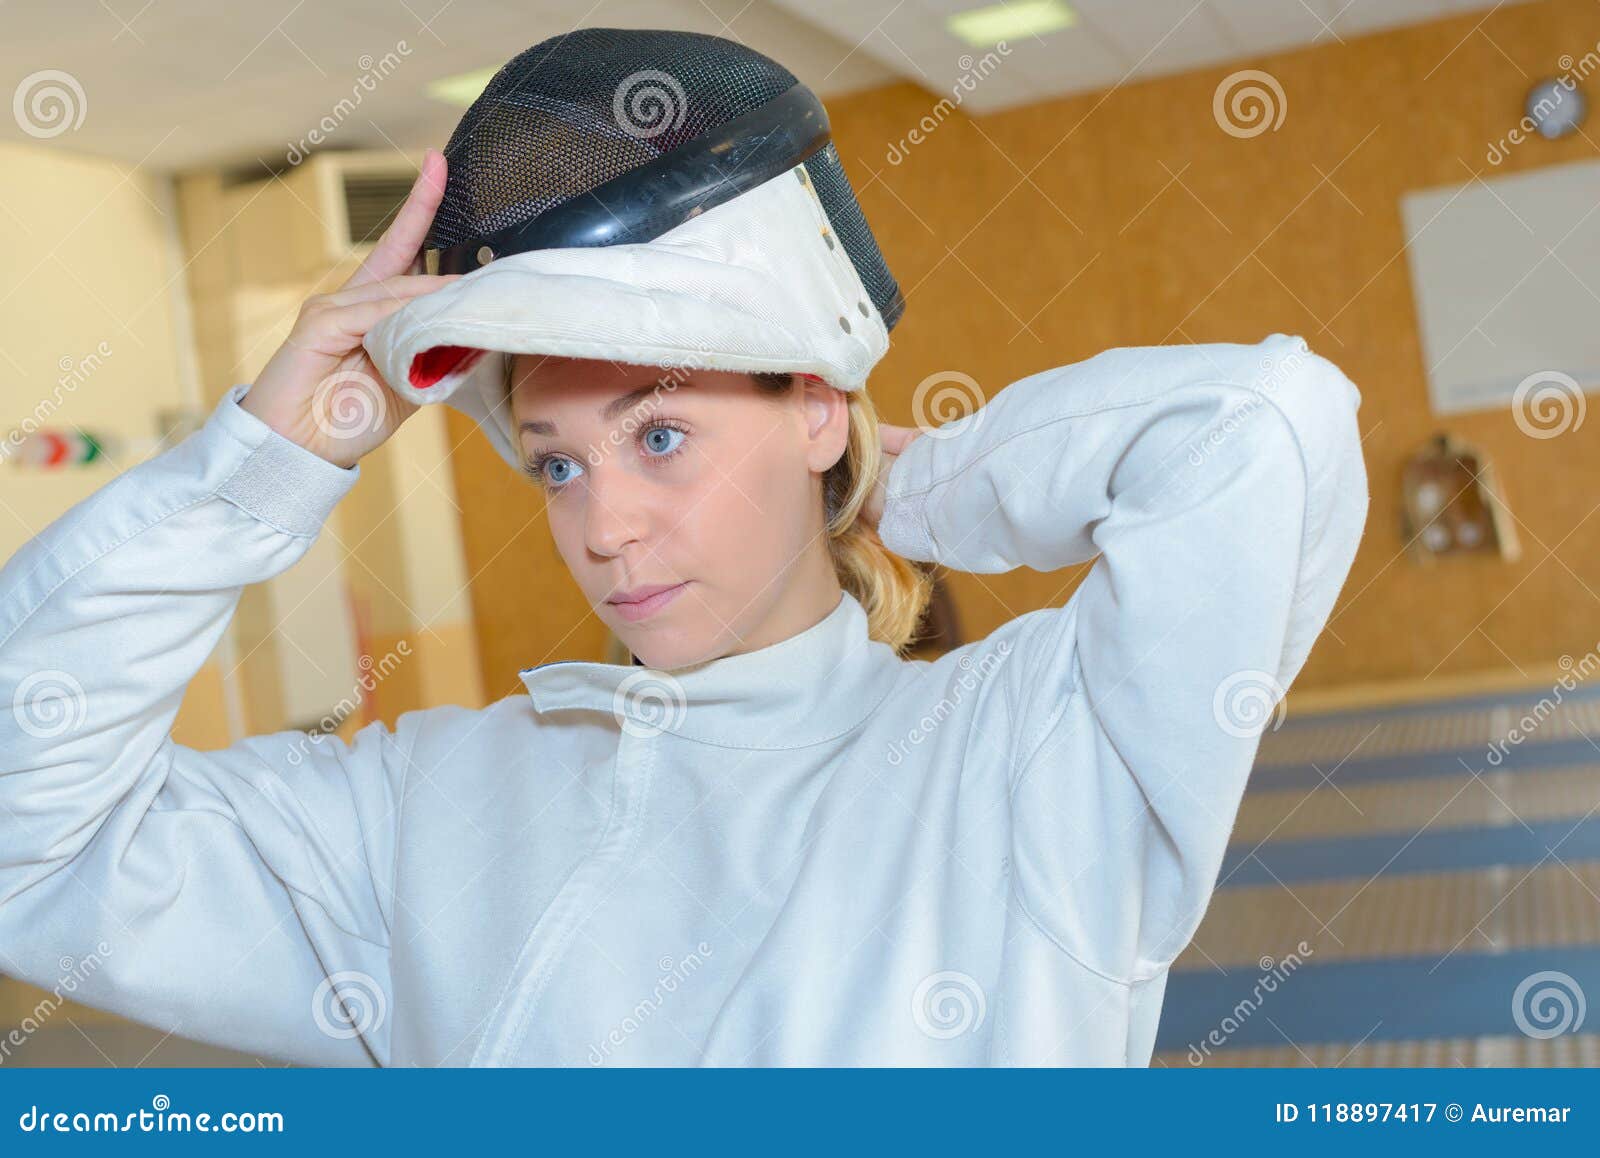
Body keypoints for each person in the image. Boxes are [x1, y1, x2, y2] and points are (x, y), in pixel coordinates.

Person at [0, 39, 1368, 1067]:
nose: (605, 524)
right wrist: (257, 466)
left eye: (660, 434)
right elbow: (31, 845)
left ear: (816, 405)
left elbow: (1262, 428)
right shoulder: (419, 810)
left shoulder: (1028, 756)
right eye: (556, 460)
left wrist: (894, 485)